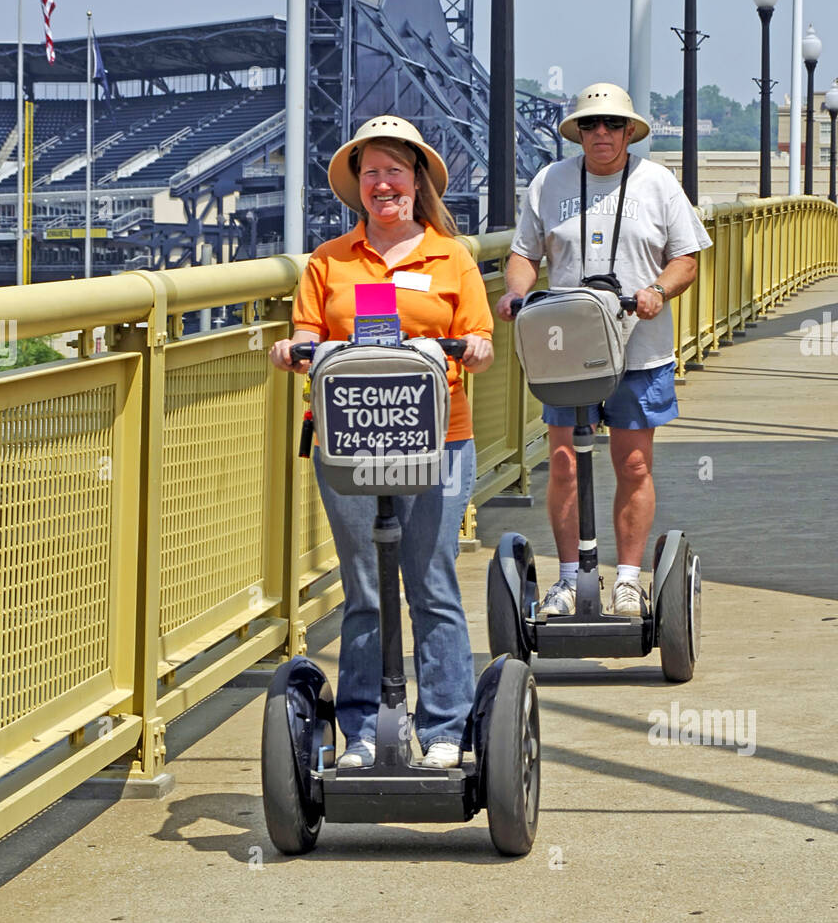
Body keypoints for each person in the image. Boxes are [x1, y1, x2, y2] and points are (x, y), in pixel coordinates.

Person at [270, 115, 494, 769]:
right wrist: (294, 349)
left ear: (417, 180)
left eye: (395, 170)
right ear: (357, 186)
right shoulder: (329, 260)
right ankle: (362, 730)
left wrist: (475, 348)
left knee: (431, 582)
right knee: (364, 589)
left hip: (437, 441)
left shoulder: (450, 258)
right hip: (350, 440)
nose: (383, 183)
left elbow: (476, 336)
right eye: (371, 173)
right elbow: (306, 332)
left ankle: (445, 726)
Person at [497, 83, 712, 617]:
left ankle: (628, 581)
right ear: (577, 132)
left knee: (633, 464)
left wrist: (658, 291)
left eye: (612, 124)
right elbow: (524, 253)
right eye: (590, 125)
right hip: (566, 352)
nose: (601, 133)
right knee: (565, 463)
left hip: (639, 353)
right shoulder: (549, 182)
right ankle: (570, 578)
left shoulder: (657, 183)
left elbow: (686, 257)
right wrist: (517, 293)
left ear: (629, 131)